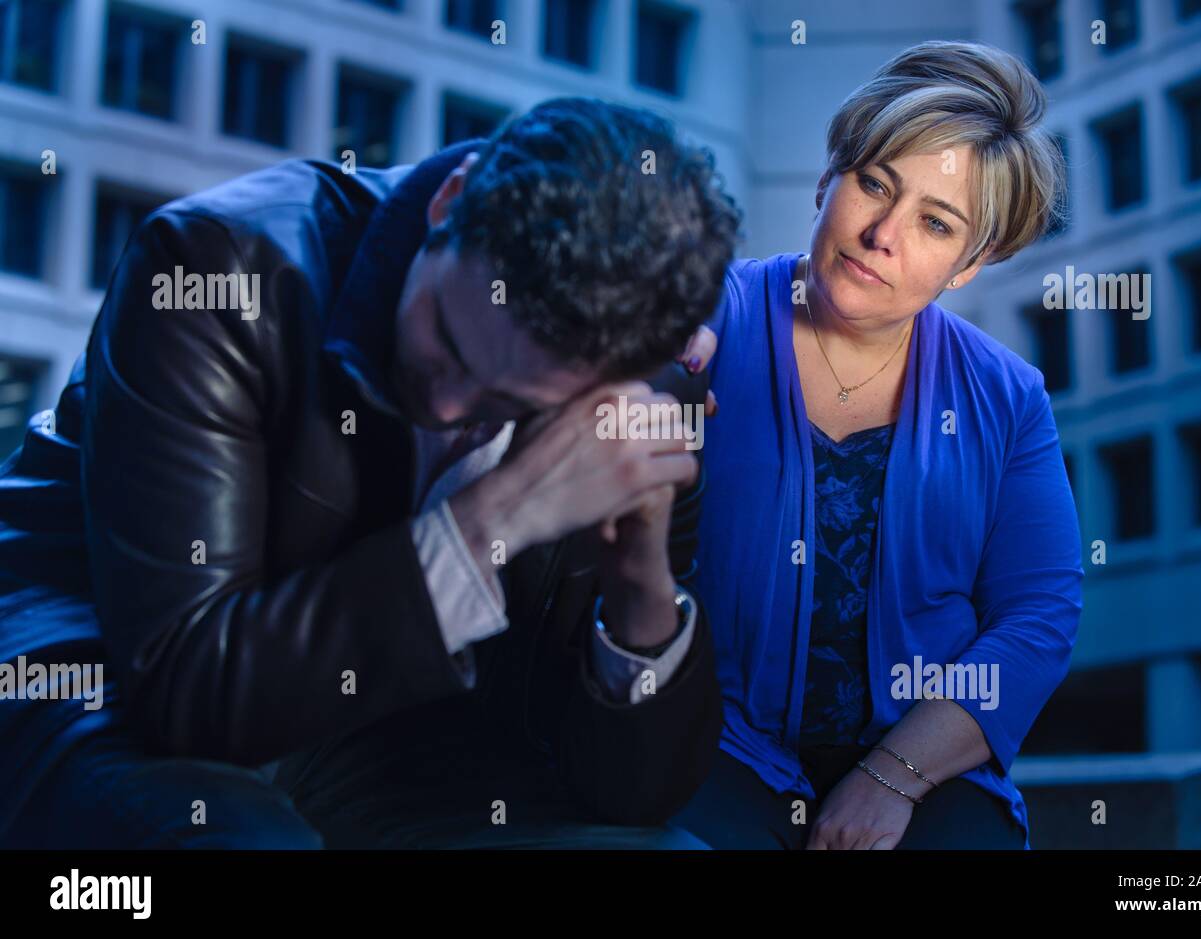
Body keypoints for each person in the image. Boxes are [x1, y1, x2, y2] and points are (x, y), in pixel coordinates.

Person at [0, 97, 741, 849]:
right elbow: (186, 690)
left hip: (378, 730)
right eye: (445, 338)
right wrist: (495, 519)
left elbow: (636, 797)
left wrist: (640, 577)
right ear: (450, 201)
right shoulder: (220, 270)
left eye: (509, 400)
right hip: (99, 672)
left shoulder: (648, 398)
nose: (448, 402)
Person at [670, 40, 1083, 850]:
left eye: (935, 223)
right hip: (709, 742)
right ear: (828, 180)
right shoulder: (700, 316)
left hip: (927, 760)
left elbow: (1037, 617)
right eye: (873, 185)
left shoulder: (1007, 397)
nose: (881, 234)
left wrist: (892, 774)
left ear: (970, 263)